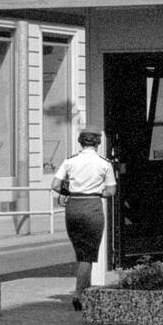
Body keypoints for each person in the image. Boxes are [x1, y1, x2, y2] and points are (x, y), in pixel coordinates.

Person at [51, 129, 117, 310]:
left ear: (81, 143)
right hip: (92, 206)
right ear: (98, 143)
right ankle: (78, 295)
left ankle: (85, 292)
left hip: (73, 206)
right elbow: (111, 191)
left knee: (80, 251)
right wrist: (97, 192)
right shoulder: (104, 164)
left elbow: (55, 185)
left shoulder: (70, 161)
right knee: (87, 255)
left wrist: (68, 192)